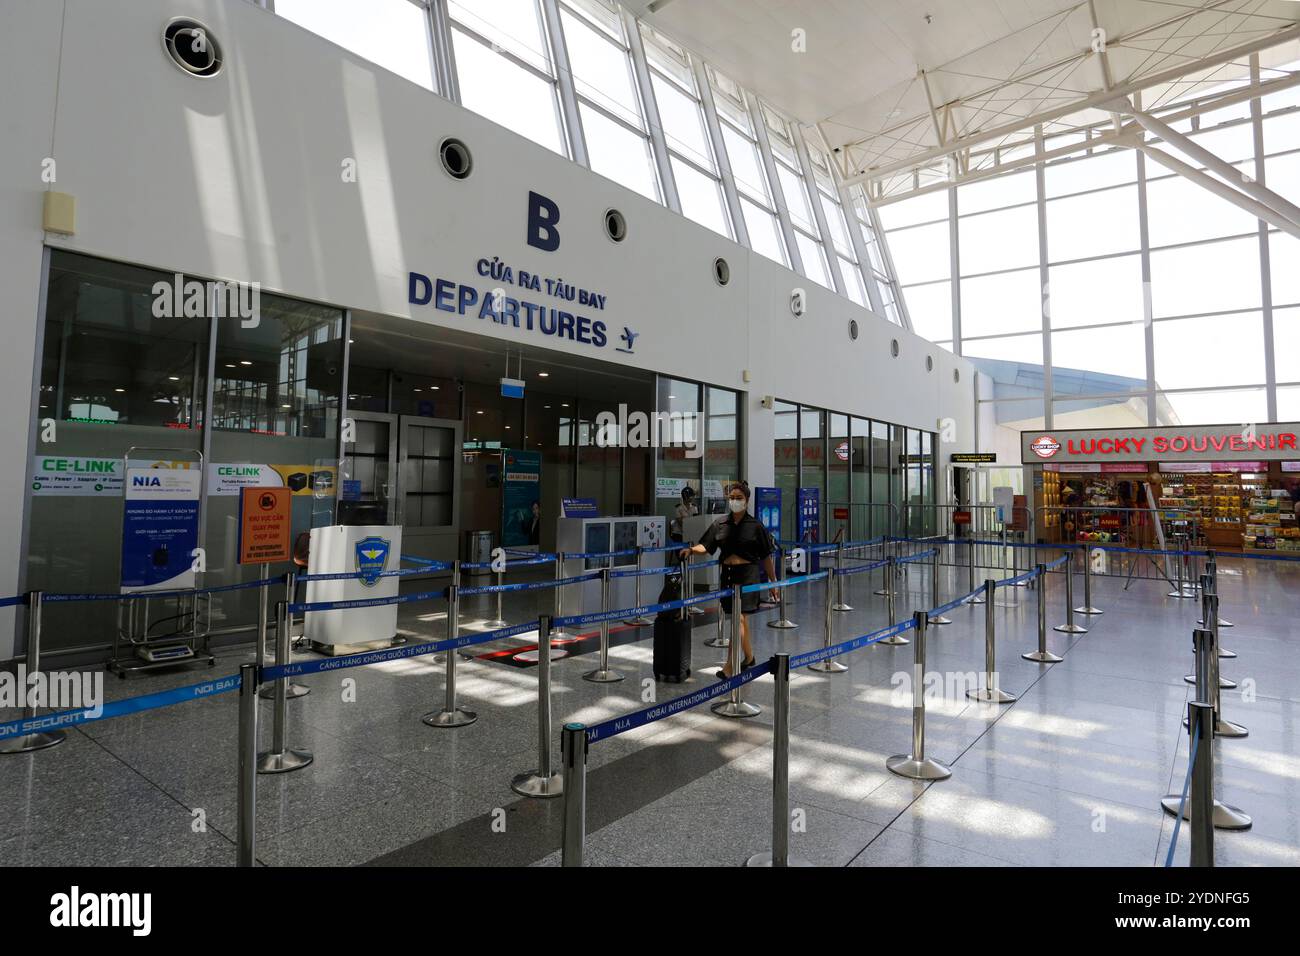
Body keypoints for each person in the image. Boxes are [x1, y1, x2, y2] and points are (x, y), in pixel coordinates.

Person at [680, 481, 778, 679]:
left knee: (739, 619)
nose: (734, 501)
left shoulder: (756, 526)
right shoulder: (720, 523)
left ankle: (730, 665)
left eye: (739, 498)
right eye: (731, 498)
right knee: (740, 621)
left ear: (747, 501)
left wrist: (773, 583)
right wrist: (690, 550)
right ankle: (749, 658)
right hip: (728, 575)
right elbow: (706, 546)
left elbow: (766, 556)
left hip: (748, 575)